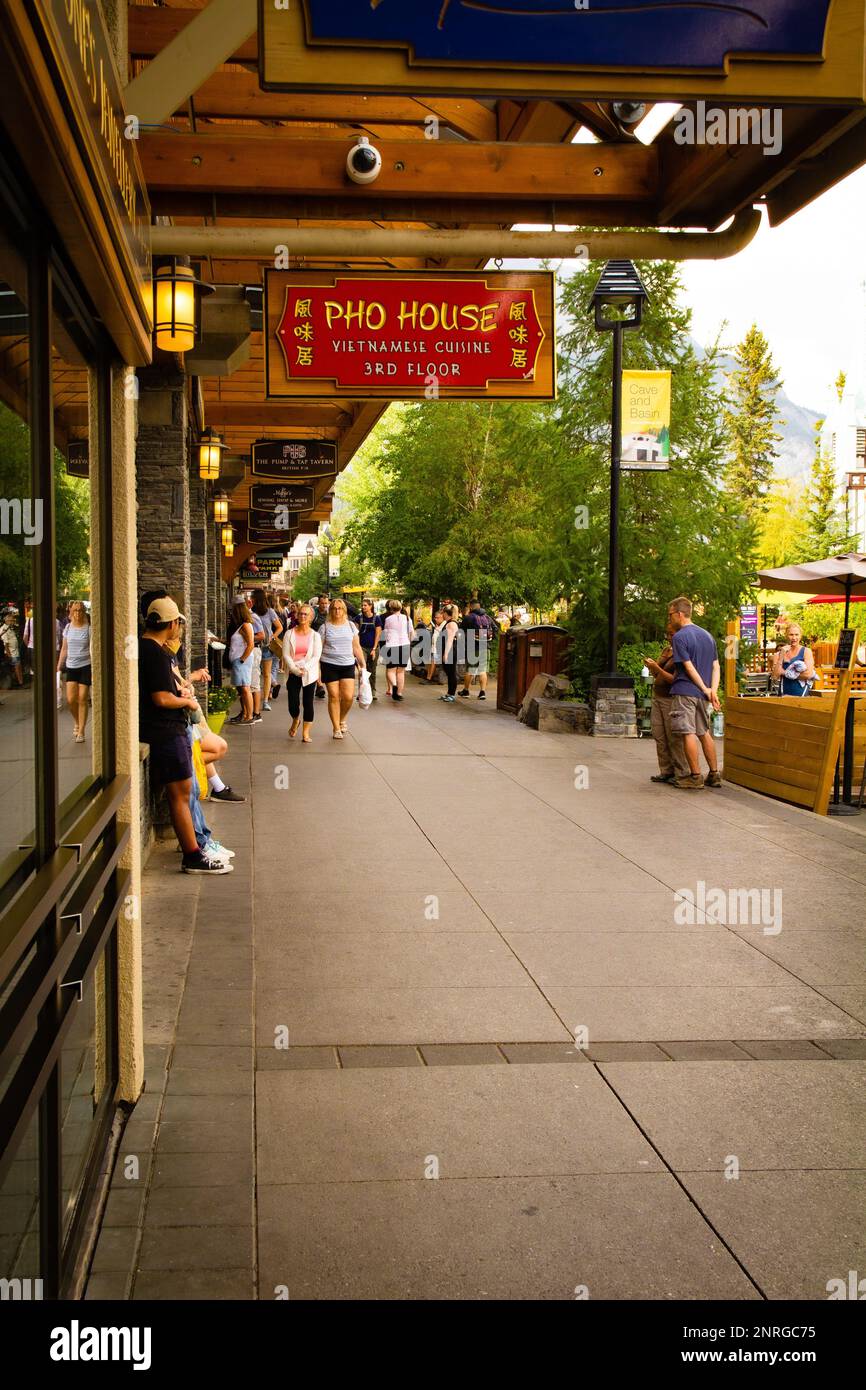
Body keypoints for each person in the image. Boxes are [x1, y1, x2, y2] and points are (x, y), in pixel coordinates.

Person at [139, 597, 229, 874]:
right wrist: (187, 702)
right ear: (172, 624)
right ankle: (192, 855)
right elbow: (162, 698)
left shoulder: (150, 648)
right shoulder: (154, 653)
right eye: (178, 622)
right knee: (180, 795)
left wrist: (181, 692)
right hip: (166, 731)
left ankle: (196, 847)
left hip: (167, 730)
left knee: (183, 792)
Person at [667, 596, 722, 790]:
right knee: (704, 732)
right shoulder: (707, 636)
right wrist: (712, 690)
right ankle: (714, 774)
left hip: (686, 691)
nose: (669, 618)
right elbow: (716, 666)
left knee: (688, 732)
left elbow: (688, 667)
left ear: (680, 614)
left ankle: (695, 776)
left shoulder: (680, 637)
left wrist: (705, 688)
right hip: (703, 694)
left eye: (670, 614)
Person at [643, 622, 690, 785]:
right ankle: (666, 770)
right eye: (667, 635)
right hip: (658, 695)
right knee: (659, 735)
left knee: (673, 737)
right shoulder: (666, 650)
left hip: (670, 698)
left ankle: (681, 772)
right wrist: (652, 666)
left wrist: (657, 668)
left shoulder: (680, 653)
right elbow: (657, 675)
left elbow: (674, 679)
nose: (668, 638)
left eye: (671, 635)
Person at [318, 598, 365, 738]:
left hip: (347, 664)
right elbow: (318, 649)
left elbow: (356, 647)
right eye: (334, 608)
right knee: (333, 696)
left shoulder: (351, 626)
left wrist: (363, 664)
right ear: (330, 610)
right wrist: (317, 668)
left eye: (339, 608)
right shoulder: (325, 627)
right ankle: (336, 728)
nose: (337, 611)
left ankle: (342, 718)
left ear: (344, 610)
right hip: (329, 664)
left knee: (348, 697)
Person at [281, 602, 322, 742]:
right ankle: (295, 719)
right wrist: (294, 669)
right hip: (293, 672)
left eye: (306, 614)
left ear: (311, 617)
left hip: (309, 673)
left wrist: (306, 668)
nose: (303, 616)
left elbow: (316, 656)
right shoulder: (289, 633)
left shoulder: (315, 636)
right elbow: (286, 654)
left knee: (308, 702)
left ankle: (306, 732)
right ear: (297, 616)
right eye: (301, 613)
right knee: (293, 704)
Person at [56, 600, 91, 742]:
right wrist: (59, 666)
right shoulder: (68, 628)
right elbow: (64, 649)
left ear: (84, 612)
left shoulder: (89, 629)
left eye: (80, 610)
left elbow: (92, 649)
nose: (77, 613)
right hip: (71, 666)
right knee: (71, 699)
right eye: (75, 610)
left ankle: (81, 730)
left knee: (82, 697)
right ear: (71, 612)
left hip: (85, 665)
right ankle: (77, 721)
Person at [251, 588, 283, 712]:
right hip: (253, 646)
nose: (251, 600)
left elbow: (279, 627)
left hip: (266, 647)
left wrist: (272, 637)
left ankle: (264, 701)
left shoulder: (270, 612)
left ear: (256, 599)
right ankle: (255, 700)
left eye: (252, 598)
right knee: (255, 674)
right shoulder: (250, 612)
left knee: (266, 674)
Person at [226, 600, 255, 726]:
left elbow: (251, 644)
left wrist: (242, 659)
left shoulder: (245, 625)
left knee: (245, 687)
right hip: (238, 659)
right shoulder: (241, 626)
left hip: (242, 660)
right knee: (242, 689)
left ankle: (249, 716)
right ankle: (245, 714)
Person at [459, 599, 494, 700]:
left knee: (470, 669)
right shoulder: (487, 617)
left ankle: (466, 691)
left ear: (471, 606)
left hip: (472, 646)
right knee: (482, 670)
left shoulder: (469, 618)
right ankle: (482, 692)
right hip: (485, 646)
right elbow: (495, 630)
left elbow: (460, 631)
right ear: (480, 607)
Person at [381, 598, 413, 702]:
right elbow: (411, 633)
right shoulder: (407, 618)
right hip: (405, 645)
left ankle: (394, 686)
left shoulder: (388, 619)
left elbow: (385, 634)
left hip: (392, 645)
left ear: (390, 608)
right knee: (401, 671)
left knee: (391, 670)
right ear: (400, 607)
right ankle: (399, 693)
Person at [772, 622, 816, 697]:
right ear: (786, 635)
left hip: (801, 695)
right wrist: (781, 655)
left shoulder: (806, 651)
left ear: (800, 636)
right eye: (791, 635)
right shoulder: (780, 653)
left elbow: (808, 674)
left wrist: (785, 673)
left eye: (796, 635)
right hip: (783, 694)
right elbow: (775, 676)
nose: (794, 638)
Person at [357, 597, 382, 699]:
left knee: (372, 670)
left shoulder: (377, 618)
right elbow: (356, 633)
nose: (363, 607)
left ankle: (372, 692)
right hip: (361, 647)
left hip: (373, 647)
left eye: (365, 605)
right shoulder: (359, 618)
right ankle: (361, 692)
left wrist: (374, 649)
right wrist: (357, 647)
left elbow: (378, 634)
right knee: (362, 670)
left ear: (370, 606)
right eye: (362, 605)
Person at [437, 605, 460, 703]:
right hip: (448, 650)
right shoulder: (449, 623)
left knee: (451, 673)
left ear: (447, 614)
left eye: (443, 613)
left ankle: (452, 694)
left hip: (450, 651)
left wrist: (445, 654)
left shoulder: (451, 624)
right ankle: (449, 693)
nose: (442, 615)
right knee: (448, 671)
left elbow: (449, 640)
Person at [1, 609, 24, 688]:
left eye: (13, 620)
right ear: (7, 621)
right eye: (11, 620)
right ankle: (20, 683)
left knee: (18, 667)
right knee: (17, 667)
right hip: (12, 653)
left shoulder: (10, 628)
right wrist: (9, 655)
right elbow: (5, 644)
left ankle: (19, 681)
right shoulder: (4, 629)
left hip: (15, 651)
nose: (13, 622)